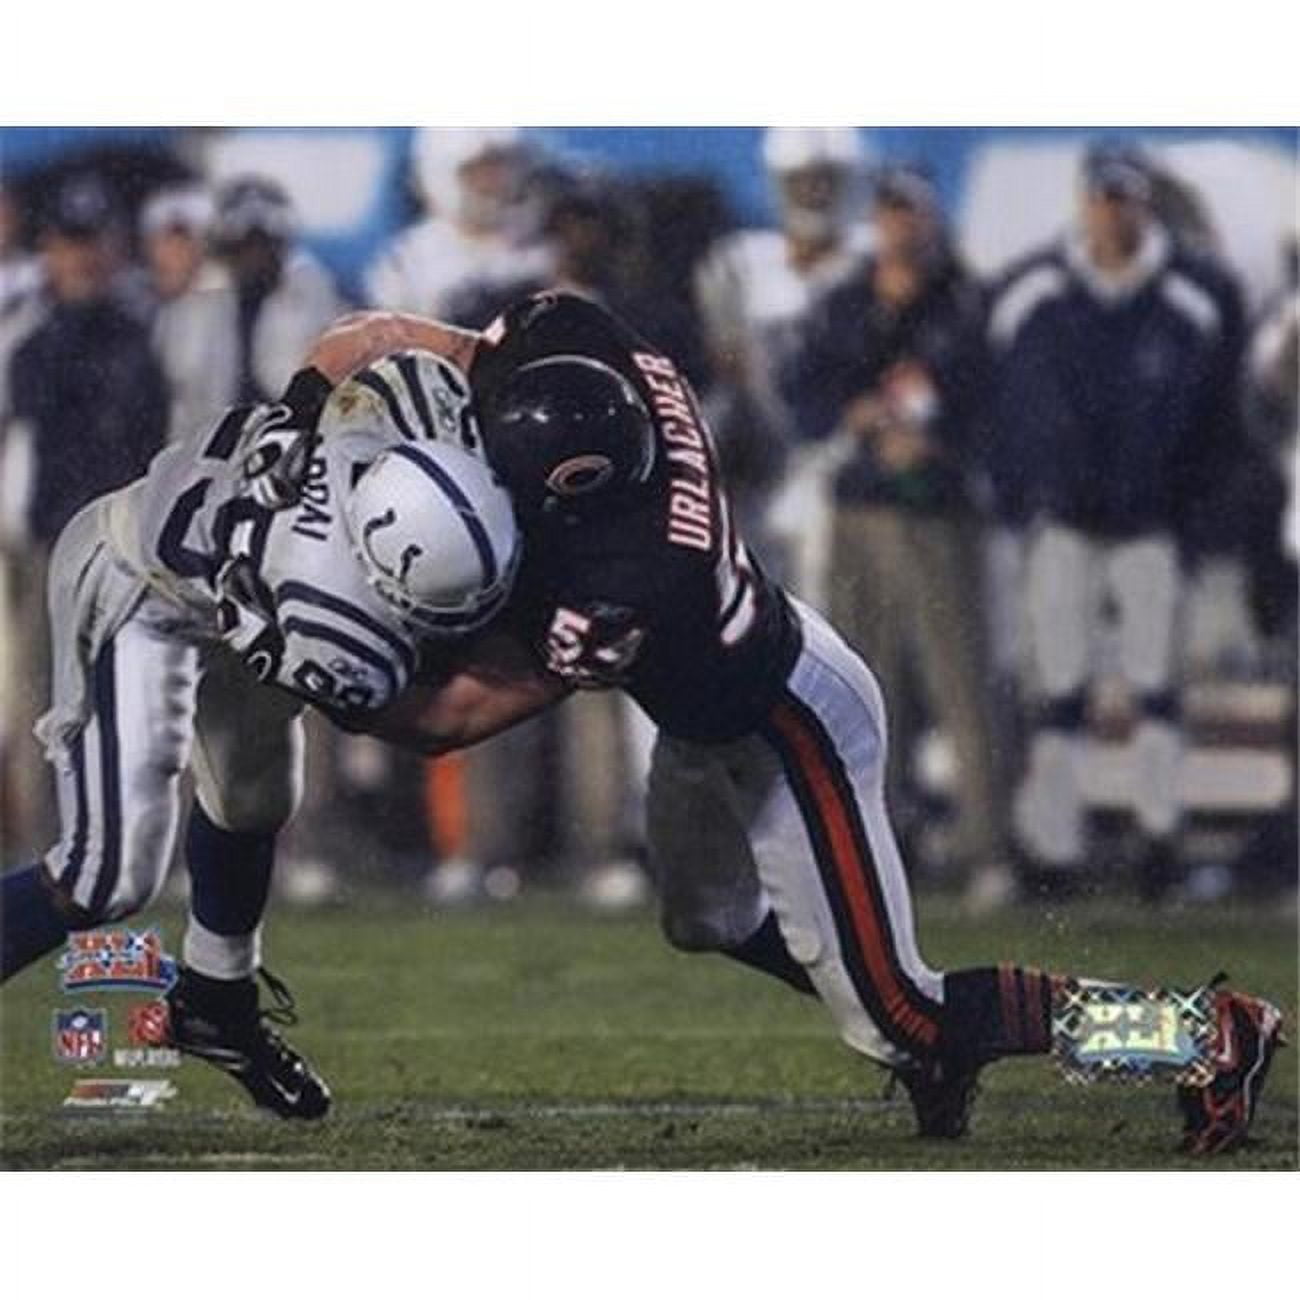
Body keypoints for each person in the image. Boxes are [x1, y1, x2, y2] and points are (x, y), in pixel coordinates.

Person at [213, 290, 1281, 1153]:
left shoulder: (633, 578)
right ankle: (913, 1019)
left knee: (898, 1010)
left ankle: (1197, 1033)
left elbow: (450, 721)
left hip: (787, 728)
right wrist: (300, 412)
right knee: (705, 919)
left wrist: (325, 677)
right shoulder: (576, 348)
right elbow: (378, 338)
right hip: (710, 715)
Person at [0, 327, 525, 1122]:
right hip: (137, 579)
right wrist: (558, 668)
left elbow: (362, 338)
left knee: (255, 796)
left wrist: (303, 401)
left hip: (227, 577)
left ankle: (216, 1002)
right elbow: (433, 726)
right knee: (108, 872)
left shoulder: (420, 407)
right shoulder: (326, 606)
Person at [988, 143, 1247, 900]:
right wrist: (1027, 495)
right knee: (1058, 688)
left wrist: (1194, 507)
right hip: (1063, 518)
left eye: (1123, 197)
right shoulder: (1033, 290)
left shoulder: (1196, 297)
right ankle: (1053, 847)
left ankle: (1158, 839)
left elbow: (1222, 419)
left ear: (1144, 203)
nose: (1111, 212)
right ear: (1083, 201)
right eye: (1101, 197)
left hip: (1152, 520)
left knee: (1156, 685)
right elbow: (1000, 406)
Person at [785, 162, 1012, 908]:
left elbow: (996, 402)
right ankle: (877, 847)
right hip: (860, 507)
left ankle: (986, 848)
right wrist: (852, 416)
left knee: (960, 683)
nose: (898, 225)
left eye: (909, 211)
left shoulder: (965, 302)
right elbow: (804, 391)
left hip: (939, 511)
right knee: (864, 686)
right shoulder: (845, 302)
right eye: (888, 211)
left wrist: (938, 446)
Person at [1, 174, 169, 864]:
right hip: (50, 547)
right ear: (49, 249)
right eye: (72, 244)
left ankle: (135, 846)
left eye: (94, 243)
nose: (84, 259)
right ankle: (48, 849)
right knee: (45, 703)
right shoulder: (30, 340)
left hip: (131, 546)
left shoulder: (142, 334)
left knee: (139, 700)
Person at [694, 126, 871, 591]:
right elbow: (724, 364)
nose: (814, 193)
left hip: (842, 463)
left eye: (825, 180)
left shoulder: (872, 263)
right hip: (760, 463)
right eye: (802, 181)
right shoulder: (739, 264)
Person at [140, 183, 239, 443]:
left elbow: (214, 401)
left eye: (182, 243)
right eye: (163, 241)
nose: (172, 254)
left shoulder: (219, 308)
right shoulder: (142, 305)